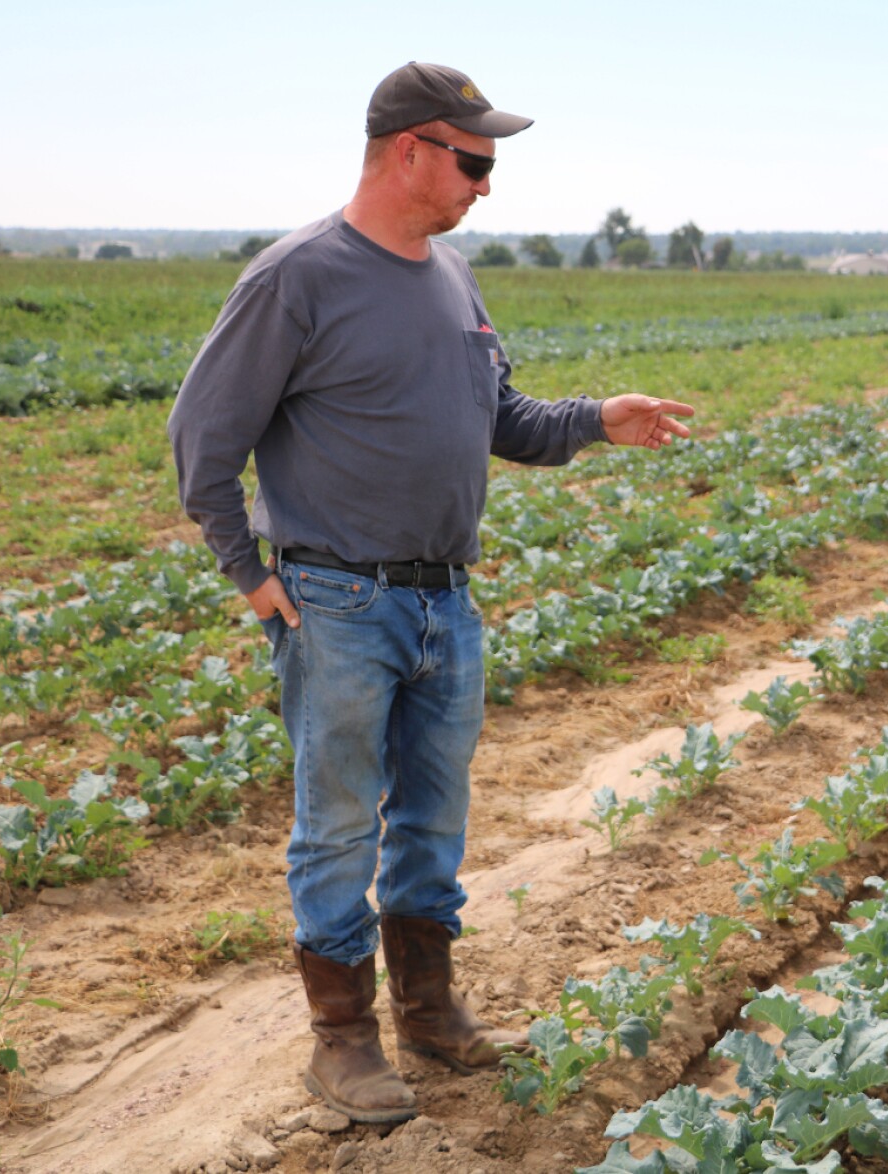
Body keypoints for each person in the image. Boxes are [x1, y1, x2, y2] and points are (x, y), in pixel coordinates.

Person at [167, 62, 692, 1123]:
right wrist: (251, 576)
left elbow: (499, 418)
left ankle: (428, 1003)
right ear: (409, 148)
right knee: (338, 823)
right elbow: (201, 441)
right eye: (475, 160)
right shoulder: (297, 277)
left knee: (433, 819)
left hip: (444, 601)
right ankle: (342, 1039)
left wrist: (598, 418)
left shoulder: (452, 276)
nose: (487, 184)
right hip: (338, 601)